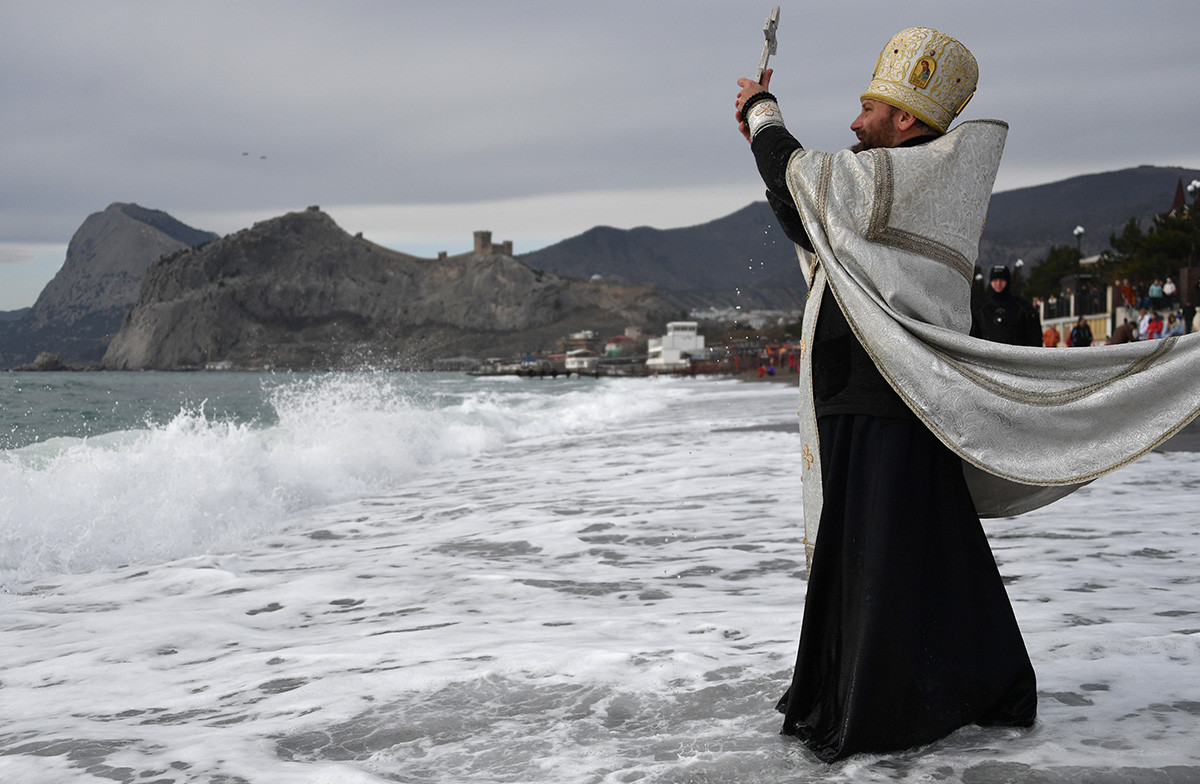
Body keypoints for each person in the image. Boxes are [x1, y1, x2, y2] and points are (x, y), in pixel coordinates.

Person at [735, 27, 1036, 761]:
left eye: (867, 107)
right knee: (916, 547)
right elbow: (803, 205)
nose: (854, 120)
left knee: (883, 555)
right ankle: (967, 684)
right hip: (867, 392)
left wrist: (764, 113)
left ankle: (880, 707)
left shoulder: (912, 173)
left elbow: (807, 176)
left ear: (905, 119)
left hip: (884, 395)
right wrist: (761, 139)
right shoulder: (891, 181)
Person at [971, 266, 1043, 346]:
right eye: (995, 280)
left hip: (1016, 356)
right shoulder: (981, 309)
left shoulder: (1023, 307)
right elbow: (973, 338)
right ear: (991, 282)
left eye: (1001, 280)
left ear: (1007, 281)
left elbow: (1035, 338)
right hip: (988, 356)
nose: (998, 284)